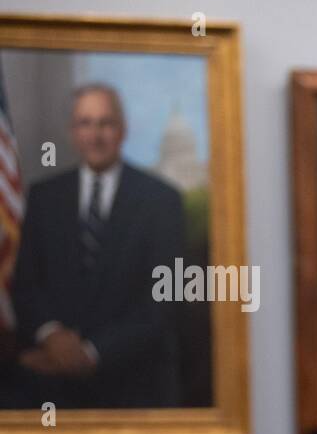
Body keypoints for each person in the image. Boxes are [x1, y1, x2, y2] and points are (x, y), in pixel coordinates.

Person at [3, 83, 184, 408]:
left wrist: (90, 354)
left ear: (123, 131)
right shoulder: (45, 197)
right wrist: (51, 336)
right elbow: (26, 285)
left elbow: (162, 303)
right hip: (51, 389)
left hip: (134, 386)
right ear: (73, 132)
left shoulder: (162, 201)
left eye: (106, 123)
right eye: (85, 123)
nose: (95, 134)